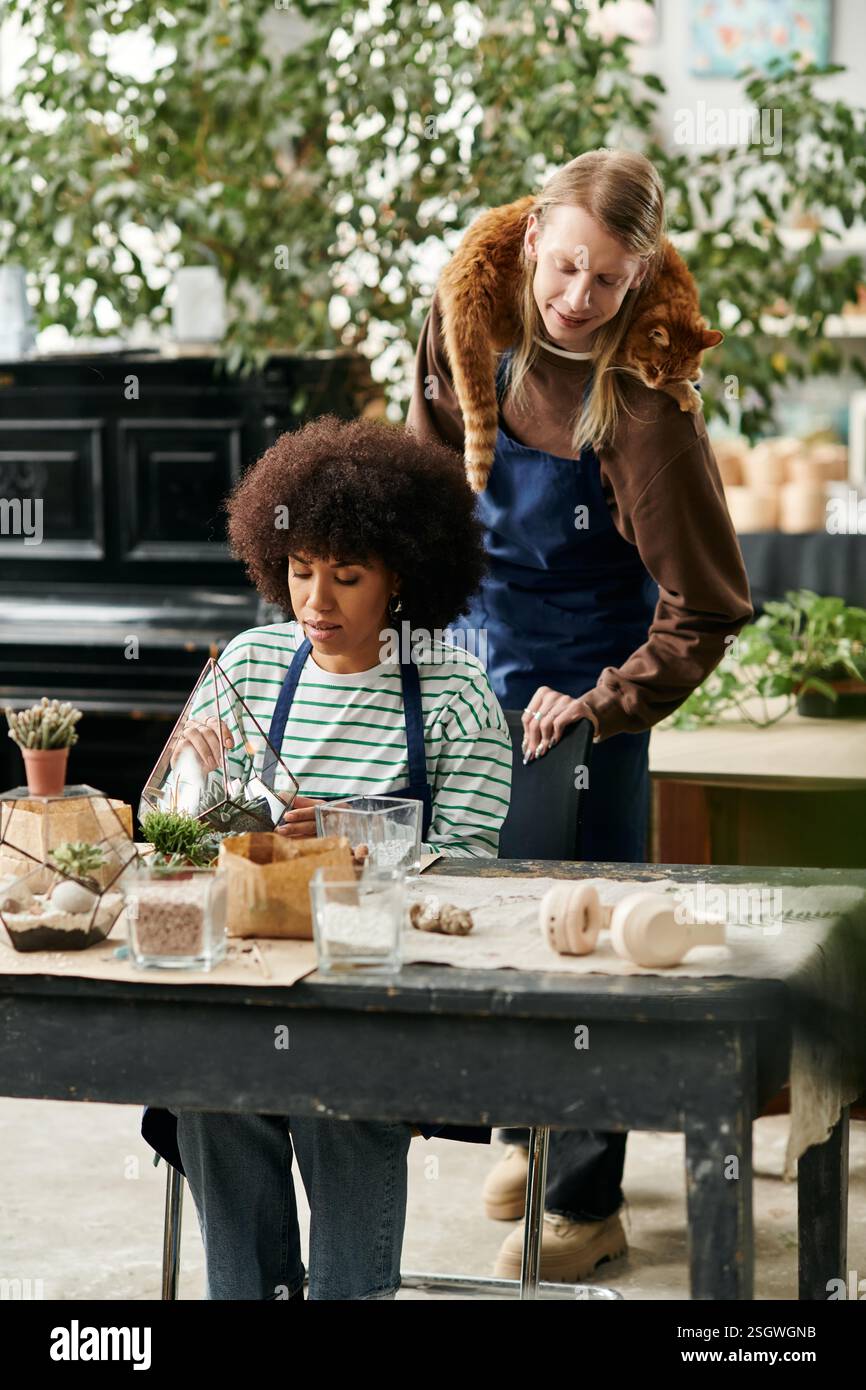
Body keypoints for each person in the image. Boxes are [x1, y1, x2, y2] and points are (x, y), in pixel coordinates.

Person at [406, 148, 753, 1282]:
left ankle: (587, 1196)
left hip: (586, 686)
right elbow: (421, 500)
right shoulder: (464, 322)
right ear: (528, 238)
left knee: (588, 934)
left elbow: (704, 605)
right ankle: (524, 1125)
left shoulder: (644, 408)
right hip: (477, 669)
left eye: (605, 282)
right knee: (484, 920)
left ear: (638, 277)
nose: (574, 299)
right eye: (562, 268)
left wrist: (605, 704)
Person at [140, 415, 513, 1299]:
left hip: (379, 986)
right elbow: (170, 823)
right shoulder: (251, 665)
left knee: (343, 1098)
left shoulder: (454, 690)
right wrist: (211, 803)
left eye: (346, 577)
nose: (316, 602)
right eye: (300, 573)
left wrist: (345, 843)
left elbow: (471, 872)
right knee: (210, 1091)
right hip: (248, 972)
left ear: (403, 577)